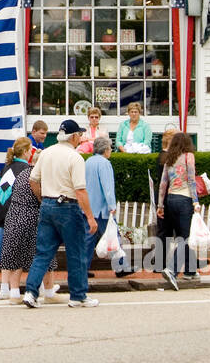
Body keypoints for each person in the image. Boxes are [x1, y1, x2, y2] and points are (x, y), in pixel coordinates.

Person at [23, 120, 97, 308]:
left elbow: (33, 180)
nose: (80, 137)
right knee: (76, 252)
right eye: (79, 135)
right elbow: (80, 190)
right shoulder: (76, 157)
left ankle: (31, 292)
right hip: (68, 205)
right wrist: (90, 216)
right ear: (73, 136)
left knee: (43, 252)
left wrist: (42, 198)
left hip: (48, 203)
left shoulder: (46, 153)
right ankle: (78, 295)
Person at [83, 135, 134, 277]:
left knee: (87, 240)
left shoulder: (88, 162)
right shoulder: (105, 163)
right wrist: (112, 205)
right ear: (105, 149)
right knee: (113, 237)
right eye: (110, 148)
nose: (110, 151)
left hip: (88, 207)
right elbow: (108, 187)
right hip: (102, 209)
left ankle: (82, 268)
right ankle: (121, 267)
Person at [156, 132, 201, 289]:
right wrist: (196, 201)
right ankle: (172, 269)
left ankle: (190, 270)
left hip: (170, 199)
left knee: (182, 235)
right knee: (187, 237)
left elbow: (163, 183)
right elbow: (191, 180)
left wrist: (160, 205)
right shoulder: (189, 156)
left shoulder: (169, 158)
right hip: (184, 199)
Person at [0, 138, 33, 299]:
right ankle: (15, 289)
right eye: (30, 149)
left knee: (6, 252)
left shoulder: (5, 168)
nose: (31, 152)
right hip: (15, 214)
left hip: (0, 214)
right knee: (16, 254)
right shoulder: (26, 169)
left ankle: (4, 287)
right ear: (25, 152)